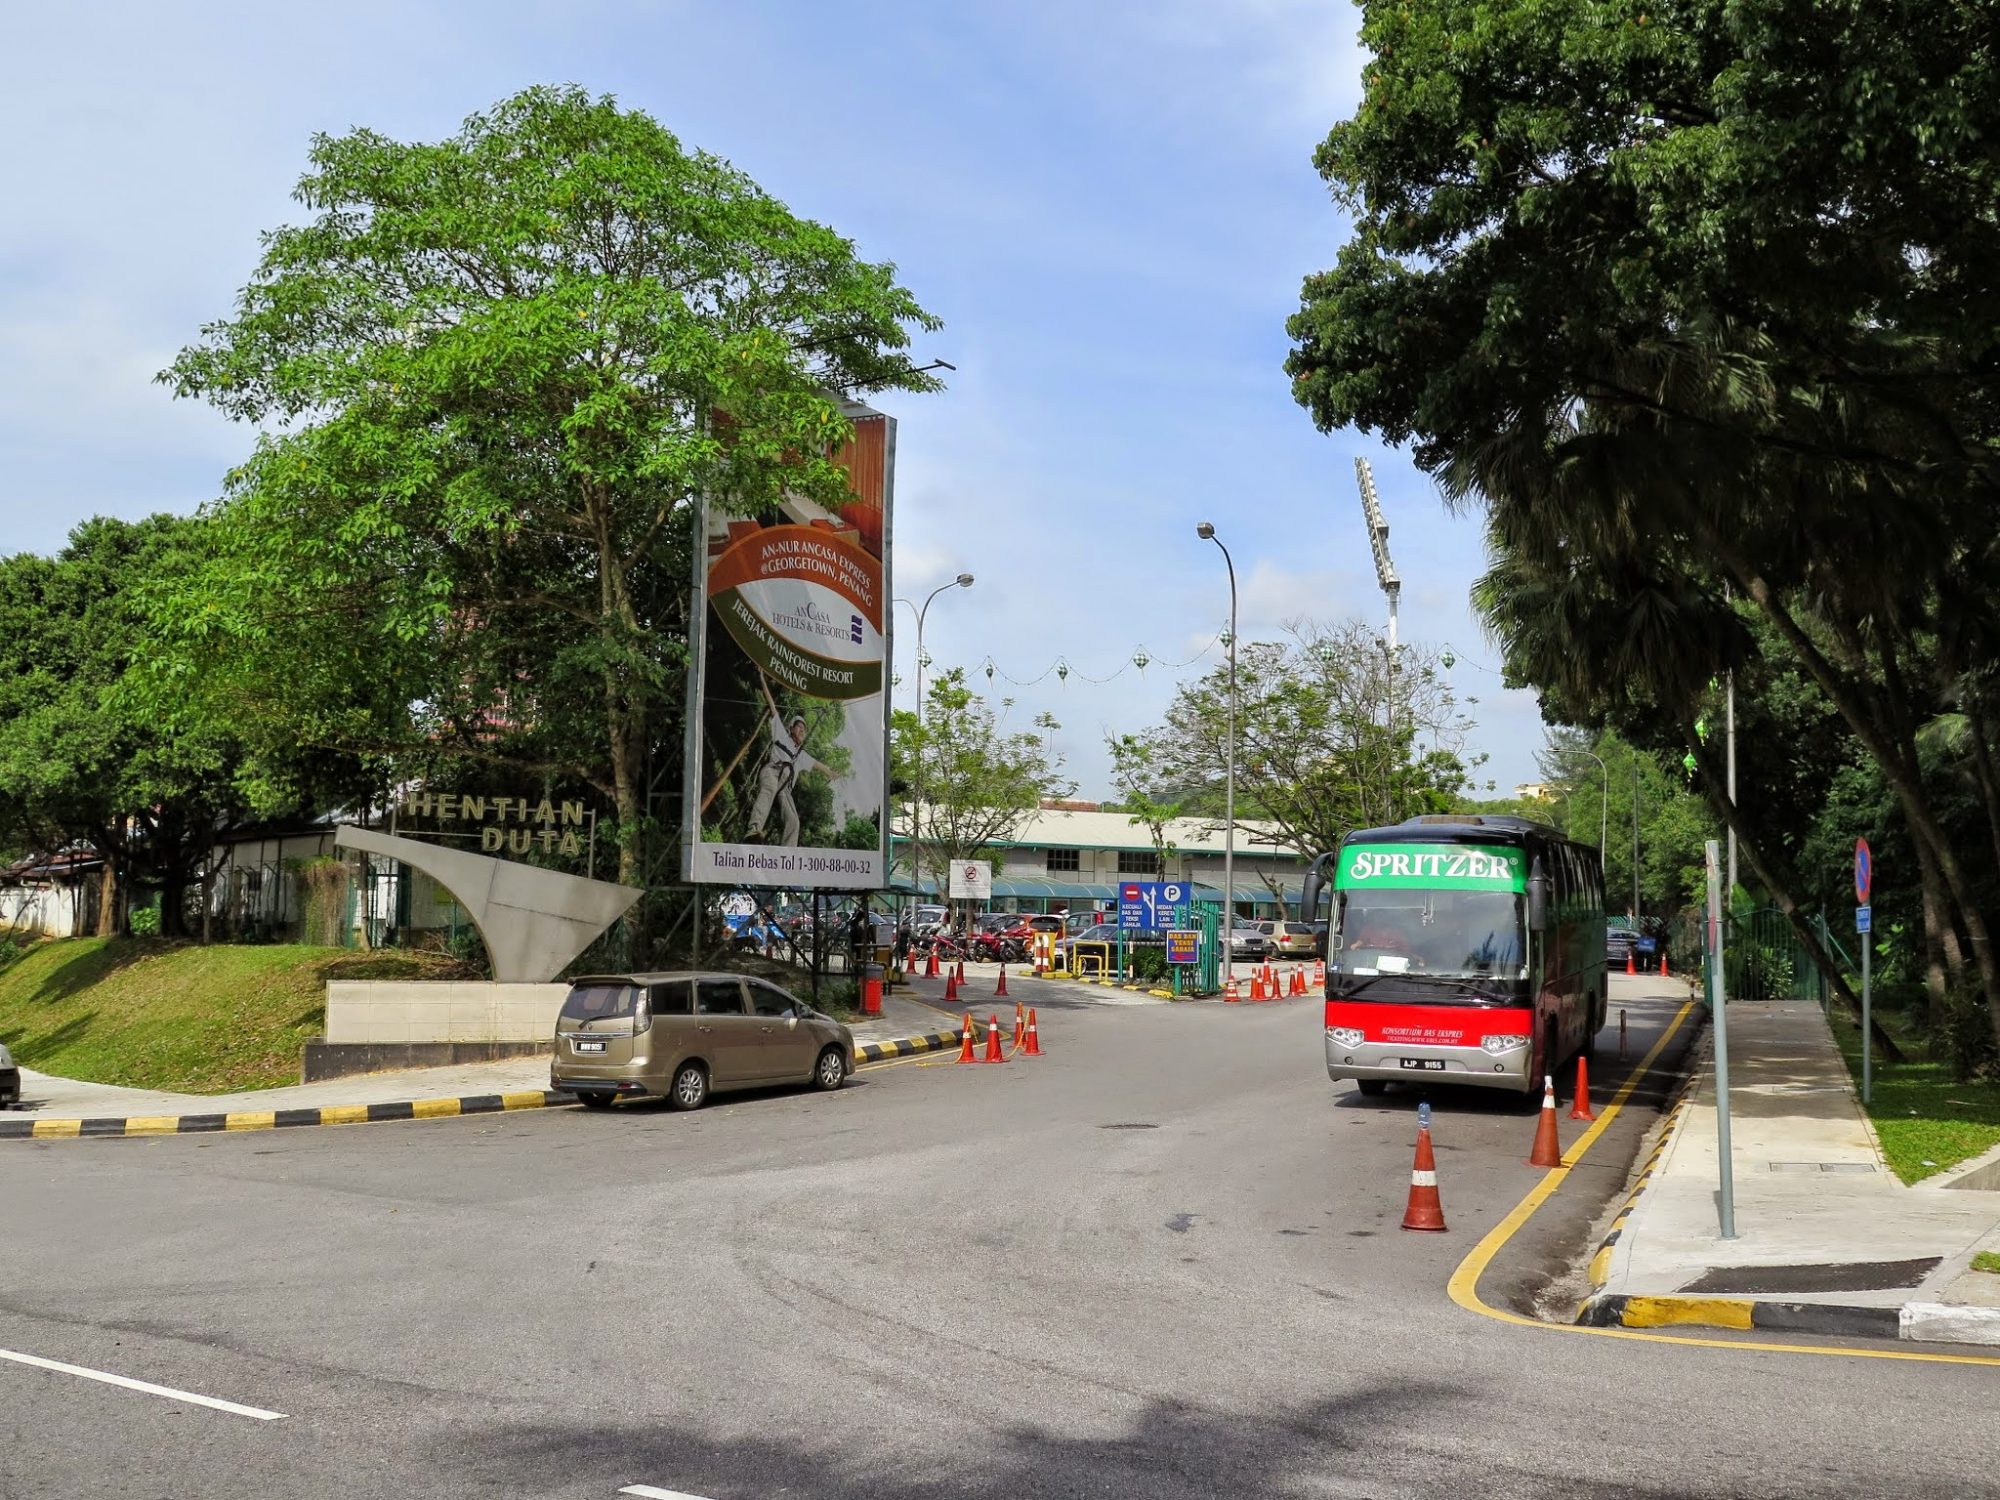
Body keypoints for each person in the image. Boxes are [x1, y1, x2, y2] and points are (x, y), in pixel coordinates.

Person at [744, 684, 829, 847]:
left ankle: (788, 851)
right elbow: (772, 707)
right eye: (799, 727)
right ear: (791, 728)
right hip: (773, 770)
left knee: (794, 821)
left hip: (786, 785)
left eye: (804, 729)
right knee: (767, 791)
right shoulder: (782, 735)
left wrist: (833, 773)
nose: (802, 730)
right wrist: (762, 680)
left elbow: (820, 766)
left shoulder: (802, 755)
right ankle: (754, 829)